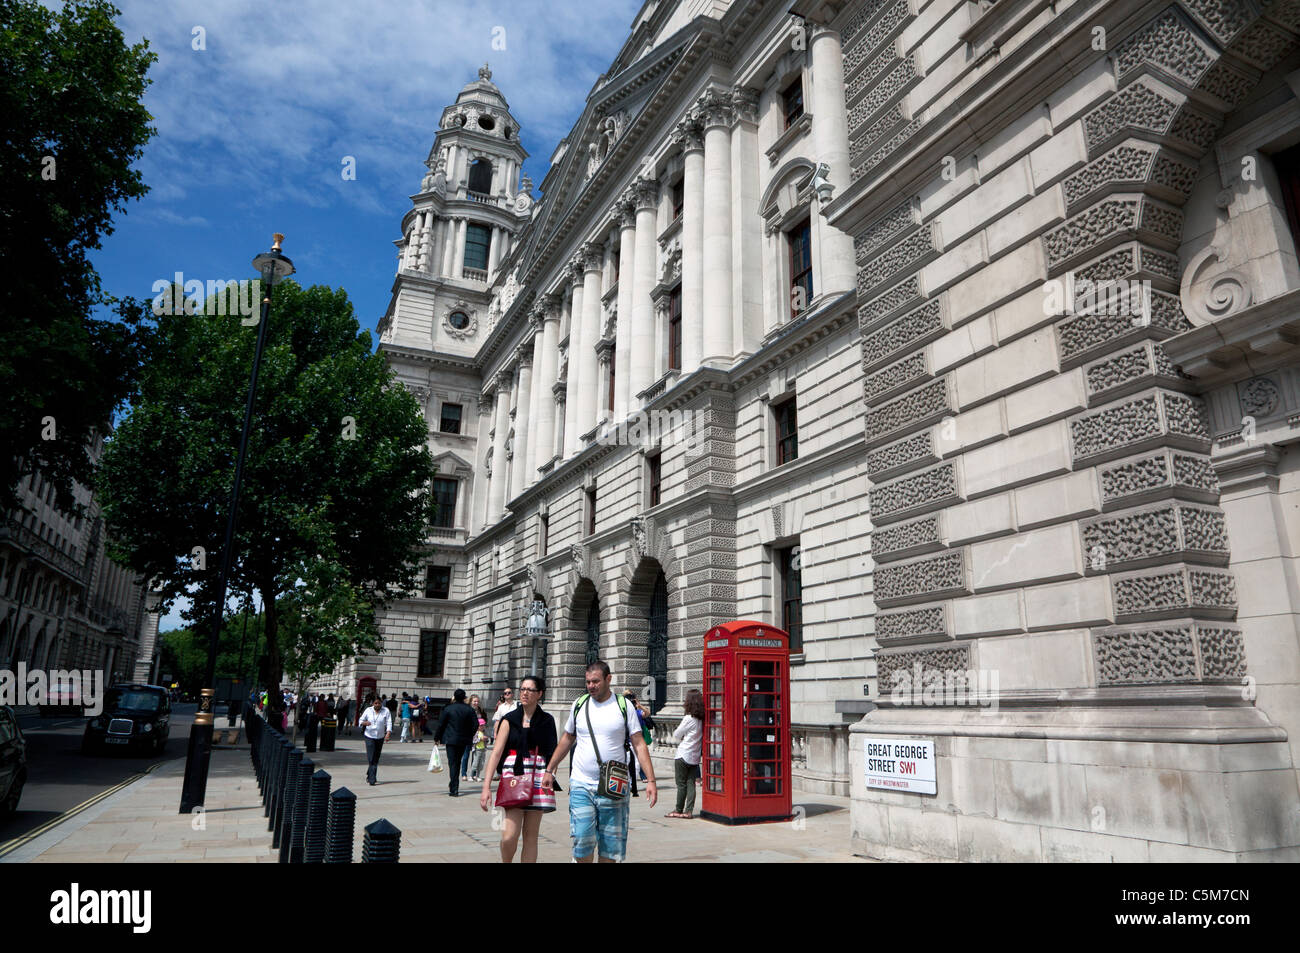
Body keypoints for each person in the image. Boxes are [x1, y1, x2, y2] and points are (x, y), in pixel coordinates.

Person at [542, 661, 657, 863]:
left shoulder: (624, 706)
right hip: (581, 784)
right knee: (582, 838)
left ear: (608, 679)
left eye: (595, 681)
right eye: (588, 682)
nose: (591, 686)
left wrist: (651, 781)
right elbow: (567, 738)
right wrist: (549, 770)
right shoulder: (579, 704)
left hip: (615, 785)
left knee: (611, 847)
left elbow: (639, 744)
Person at [479, 675, 557, 863]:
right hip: (513, 777)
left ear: (539, 694)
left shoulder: (546, 720)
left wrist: (550, 773)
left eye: (529, 690)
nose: (524, 693)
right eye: (522, 689)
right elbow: (496, 753)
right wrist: (486, 786)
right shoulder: (509, 719)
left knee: (531, 836)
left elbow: (553, 752)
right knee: (509, 836)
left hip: (538, 778)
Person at [666, 689, 704, 818]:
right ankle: (688, 811)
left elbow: (677, 734)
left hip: (683, 754)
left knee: (681, 784)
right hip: (694, 756)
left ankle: (678, 810)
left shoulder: (689, 718)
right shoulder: (702, 719)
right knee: (691, 784)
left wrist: (683, 736)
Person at [435, 689, 478, 797]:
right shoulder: (469, 709)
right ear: (464, 698)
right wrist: (470, 735)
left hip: (450, 739)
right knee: (458, 761)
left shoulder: (448, 709)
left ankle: (454, 787)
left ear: (454, 697)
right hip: (463, 740)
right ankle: (454, 784)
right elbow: (475, 724)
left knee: (453, 762)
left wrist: (437, 737)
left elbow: (441, 724)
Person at [358, 696, 393, 785]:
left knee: (376, 757)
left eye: (379, 703)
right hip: (369, 736)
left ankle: (370, 773)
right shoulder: (368, 710)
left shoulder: (386, 711)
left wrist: (388, 733)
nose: (377, 705)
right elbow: (360, 720)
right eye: (375, 703)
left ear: (381, 703)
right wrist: (364, 723)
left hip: (380, 737)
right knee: (371, 757)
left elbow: (389, 722)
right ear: (372, 703)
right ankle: (372, 779)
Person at [460, 694, 484, 779]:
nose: (476, 703)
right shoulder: (467, 710)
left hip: (477, 736)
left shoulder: (480, 711)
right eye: (474, 701)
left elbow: (483, 722)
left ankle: (473, 774)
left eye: (477, 701)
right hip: (468, 735)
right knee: (466, 755)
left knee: (476, 755)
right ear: (471, 702)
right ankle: (464, 774)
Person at [469, 713, 489, 782]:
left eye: (483, 725)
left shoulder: (484, 732)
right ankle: (471, 776)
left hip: (483, 749)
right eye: (481, 725)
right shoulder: (476, 732)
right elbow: (474, 740)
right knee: (475, 763)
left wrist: (486, 739)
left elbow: (487, 740)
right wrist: (480, 739)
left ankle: (477, 776)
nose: (483, 727)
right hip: (477, 749)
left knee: (481, 764)